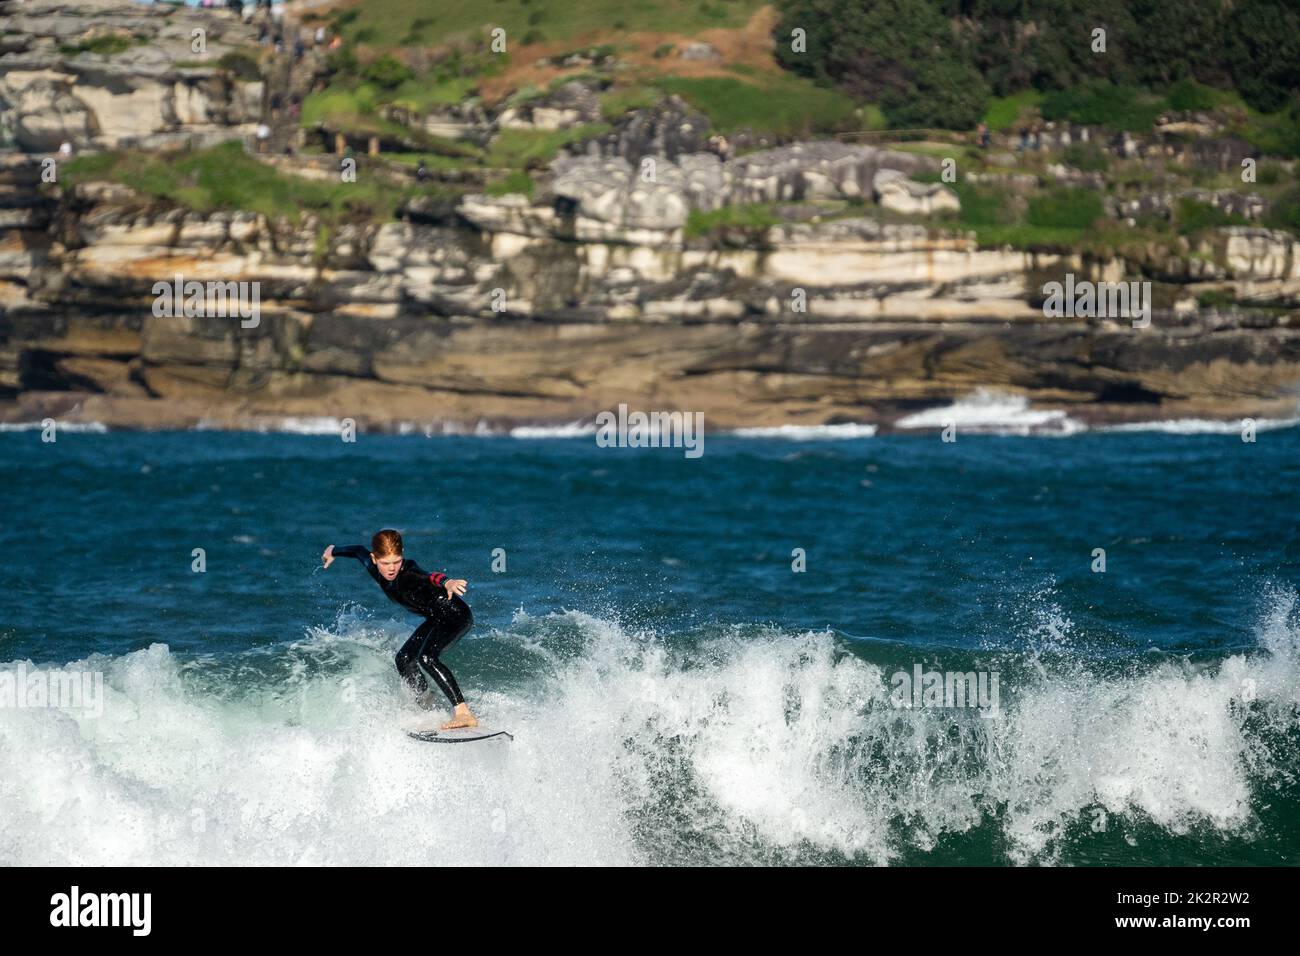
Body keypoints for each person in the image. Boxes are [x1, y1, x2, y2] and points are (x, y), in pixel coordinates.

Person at [322, 530, 478, 730]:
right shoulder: (370, 563)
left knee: (427, 658)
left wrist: (448, 582)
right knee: (403, 659)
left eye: (396, 561)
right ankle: (428, 707)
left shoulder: (409, 570)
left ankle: (463, 713)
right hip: (436, 618)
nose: (392, 568)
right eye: (385, 563)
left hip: (455, 615)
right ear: (374, 558)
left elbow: (430, 577)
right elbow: (358, 550)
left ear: (402, 555)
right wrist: (333, 550)